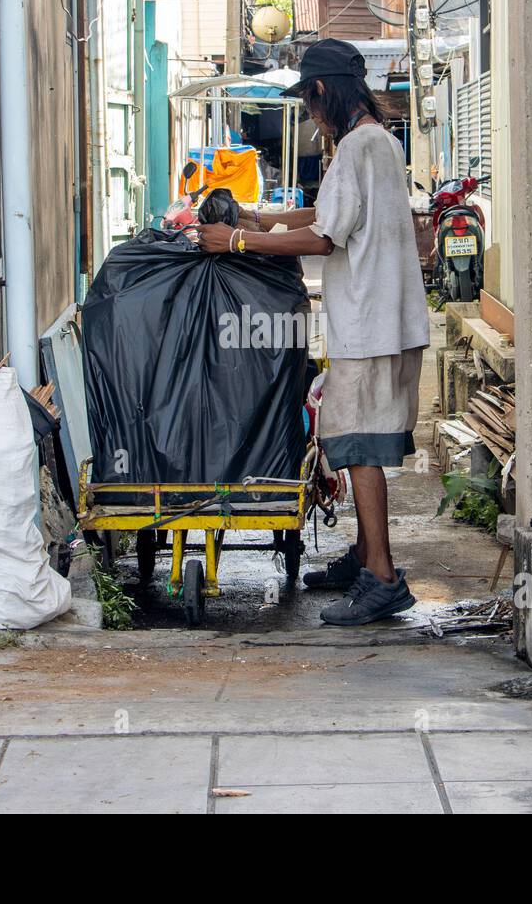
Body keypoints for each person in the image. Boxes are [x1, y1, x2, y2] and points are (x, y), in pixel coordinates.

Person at [197, 39, 430, 626]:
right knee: (358, 439)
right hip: (386, 319)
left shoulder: (356, 147)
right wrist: (262, 217)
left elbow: (325, 238)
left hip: (371, 325)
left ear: (322, 91)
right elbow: (329, 214)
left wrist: (239, 241)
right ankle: (365, 555)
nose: (311, 116)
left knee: (356, 442)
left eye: (309, 103)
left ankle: (381, 577)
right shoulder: (377, 144)